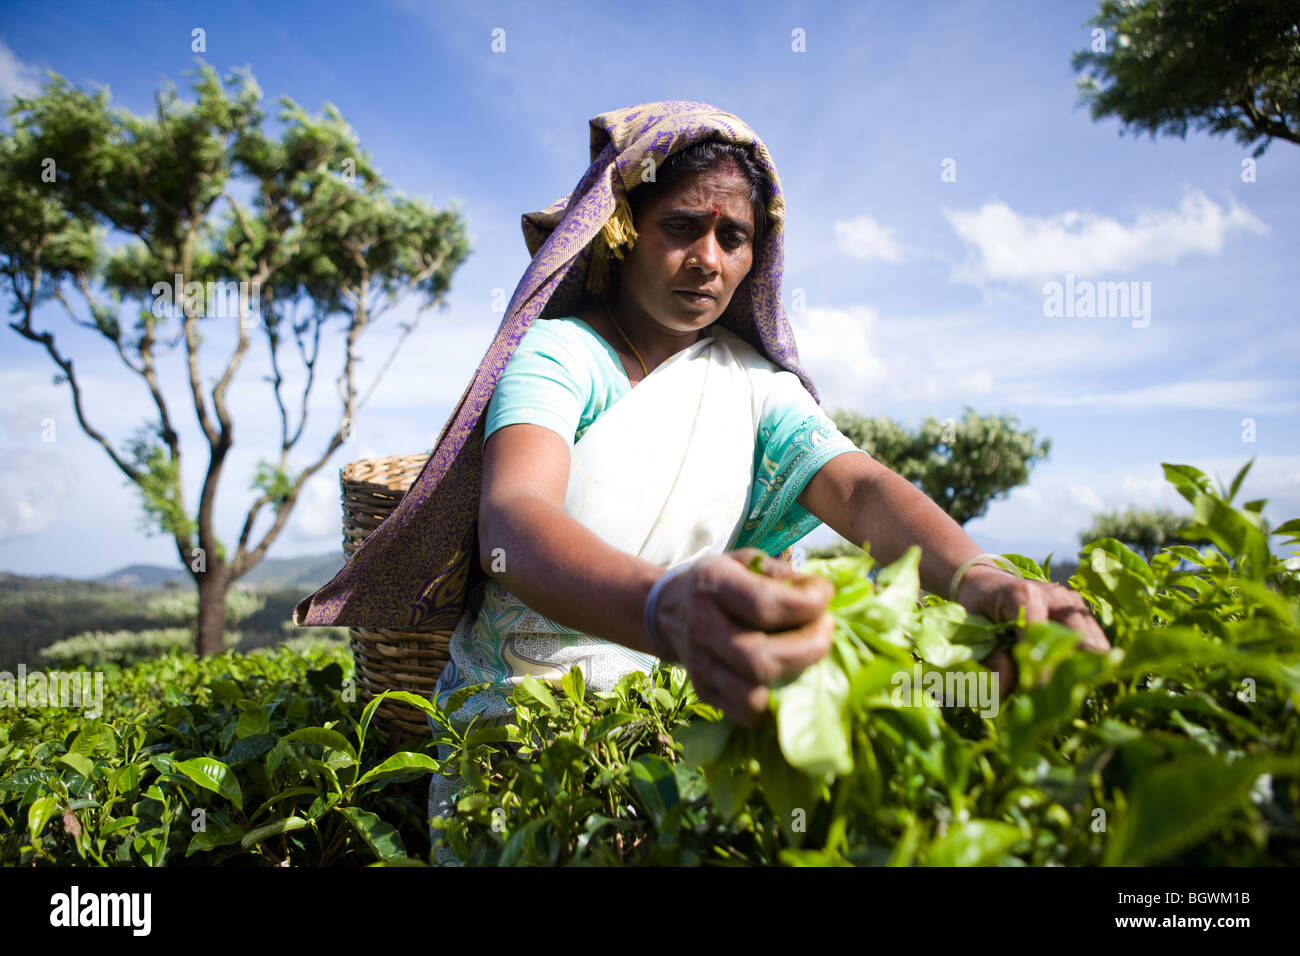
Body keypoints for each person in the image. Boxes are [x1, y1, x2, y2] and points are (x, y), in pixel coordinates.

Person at [412, 102, 1109, 864]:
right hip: (526, 711)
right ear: (623, 230)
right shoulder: (560, 355)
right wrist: (657, 608)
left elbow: (861, 489)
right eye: (681, 227)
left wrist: (982, 578)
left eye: (732, 236)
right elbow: (514, 517)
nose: (708, 258)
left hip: (693, 690)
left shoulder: (752, 385)